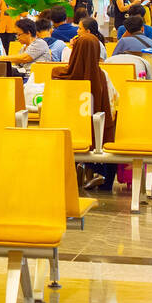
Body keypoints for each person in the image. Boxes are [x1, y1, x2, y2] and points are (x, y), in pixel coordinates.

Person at [52, 33, 118, 191]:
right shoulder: (102, 76)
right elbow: (112, 103)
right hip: (95, 134)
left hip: (64, 131)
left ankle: (77, 169)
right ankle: (104, 178)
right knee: (111, 125)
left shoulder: (59, 74)